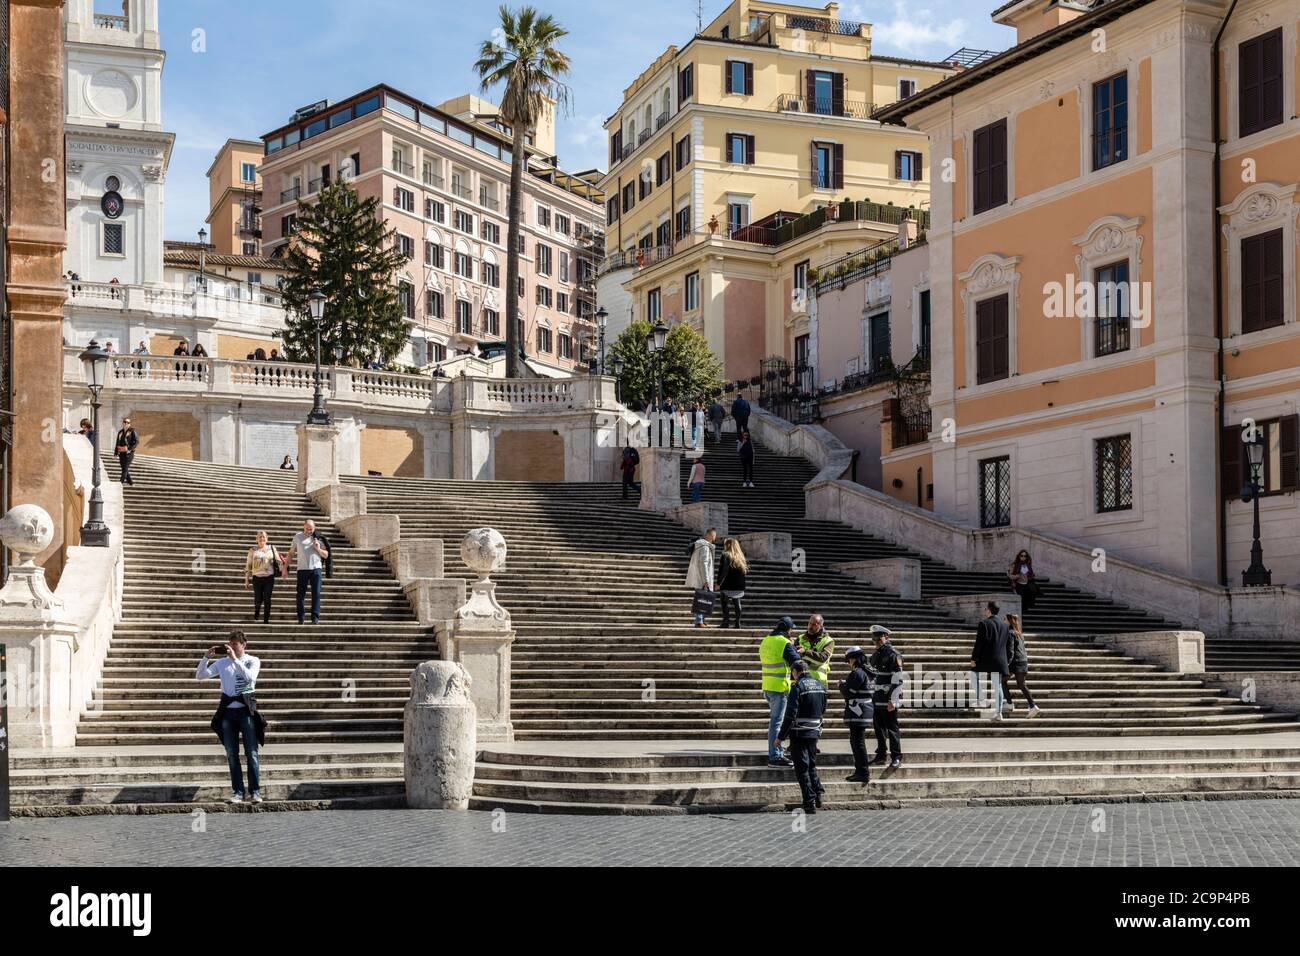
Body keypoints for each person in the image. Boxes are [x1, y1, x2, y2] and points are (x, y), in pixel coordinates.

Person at [196, 632, 265, 804]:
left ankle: (255, 792)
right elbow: (200, 676)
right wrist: (205, 658)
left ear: (244, 645)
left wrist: (235, 660)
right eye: (230, 643)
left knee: (252, 753)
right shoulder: (222, 663)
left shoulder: (253, 660)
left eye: (236, 644)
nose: (232, 647)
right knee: (232, 754)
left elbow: (251, 678)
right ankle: (238, 792)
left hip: (246, 710)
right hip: (228, 712)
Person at [776, 659, 828, 813]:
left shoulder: (797, 686)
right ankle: (818, 793)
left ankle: (809, 801)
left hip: (799, 732)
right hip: (814, 731)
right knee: (811, 764)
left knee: (801, 768)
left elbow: (790, 714)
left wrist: (781, 737)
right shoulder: (819, 685)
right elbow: (824, 708)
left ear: (795, 672)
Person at [759, 616, 802, 767]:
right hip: (779, 687)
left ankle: (778, 753)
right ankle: (775, 756)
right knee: (777, 723)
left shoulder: (766, 640)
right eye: (791, 629)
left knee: (776, 722)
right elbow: (797, 662)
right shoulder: (784, 642)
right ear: (787, 629)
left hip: (768, 686)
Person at [869, 625, 905, 768]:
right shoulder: (875, 655)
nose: (877, 641)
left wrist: (894, 700)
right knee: (879, 728)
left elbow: (898, 679)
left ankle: (896, 756)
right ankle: (881, 755)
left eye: (879, 639)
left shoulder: (893, 654)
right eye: (874, 639)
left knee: (892, 728)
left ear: (887, 637)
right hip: (877, 698)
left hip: (888, 698)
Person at [970, 600, 1012, 721]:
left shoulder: (984, 623)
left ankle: (981, 699)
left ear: (988, 610)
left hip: (986, 659)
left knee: (973, 675)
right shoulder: (1005, 626)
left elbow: (979, 644)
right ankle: (998, 712)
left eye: (985, 609)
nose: (984, 611)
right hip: (1000, 660)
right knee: (997, 685)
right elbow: (1007, 645)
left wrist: (974, 658)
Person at [839, 646, 874, 783]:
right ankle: (860, 771)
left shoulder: (858, 673)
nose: (848, 663)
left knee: (857, 743)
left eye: (848, 660)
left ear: (853, 659)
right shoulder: (868, 672)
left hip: (858, 711)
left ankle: (862, 772)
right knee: (857, 742)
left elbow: (849, 692)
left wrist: (842, 685)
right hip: (864, 709)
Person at [1002, 612, 1042, 717]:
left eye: (1004, 619)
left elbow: (1010, 651)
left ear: (1009, 621)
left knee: (1002, 680)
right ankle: (1031, 706)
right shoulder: (1019, 633)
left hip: (1015, 662)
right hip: (1022, 661)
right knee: (1020, 684)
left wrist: (1005, 664)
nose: (1003, 621)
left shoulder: (1010, 633)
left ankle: (1015, 704)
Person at [292, 519, 330, 625]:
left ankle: (315, 618)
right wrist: (285, 566)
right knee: (300, 595)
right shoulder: (297, 537)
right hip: (302, 569)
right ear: (304, 526)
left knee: (316, 594)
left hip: (316, 569)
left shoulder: (318, 537)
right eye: (307, 529)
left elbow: (326, 555)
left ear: (314, 528)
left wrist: (318, 549)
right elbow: (291, 552)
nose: (309, 531)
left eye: (311, 529)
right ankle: (301, 618)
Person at [244, 530, 286, 624]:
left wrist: (283, 567)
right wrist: (247, 580)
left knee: (267, 598)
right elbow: (248, 566)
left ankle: (266, 620)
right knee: (258, 599)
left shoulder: (271, 548)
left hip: (269, 578)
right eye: (260, 537)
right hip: (257, 578)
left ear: (267, 539)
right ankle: (257, 612)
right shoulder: (252, 550)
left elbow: (278, 560)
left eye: (263, 537)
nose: (261, 538)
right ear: (256, 539)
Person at [684, 527, 717, 628]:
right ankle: (699, 621)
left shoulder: (699, 545)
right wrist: (706, 580)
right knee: (702, 600)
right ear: (711, 536)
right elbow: (704, 564)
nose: (715, 538)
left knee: (701, 599)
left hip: (699, 577)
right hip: (702, 578)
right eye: (714, 535)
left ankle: (701, 620)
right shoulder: (705, 547)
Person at [796, 614, 834, 688]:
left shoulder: (828, 641)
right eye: (809, 623)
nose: (810, 626)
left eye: (814, 624)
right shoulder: (800, 638)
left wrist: (805, 652)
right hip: (801, 682)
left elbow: (822, 658)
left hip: (818, 683)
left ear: (821, 626)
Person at [717, 537, 748, 629]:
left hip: (728, 582)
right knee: (737, 602)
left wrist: (718, 583)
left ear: (729, 544)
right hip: (739, 583)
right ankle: (737, 623)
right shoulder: (741, 556)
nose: (724, 546)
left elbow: (724, 570)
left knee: (724, 602)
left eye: (726, 544)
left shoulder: (726, 554)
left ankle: (726, 622)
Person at [114, 417, 138, 486]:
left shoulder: (132, 431)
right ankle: (131, 482)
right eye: (125, 422)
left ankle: (120, 483)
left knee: (125, 468)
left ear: (129, 424)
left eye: (128, 422)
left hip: (129, 454)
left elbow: (136, 442)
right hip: (121, 453)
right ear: (123, 423)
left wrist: (129, 449)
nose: (126, 423)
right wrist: (115, 453)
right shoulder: (120, 432)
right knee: (124, 468)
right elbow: (117, 443)